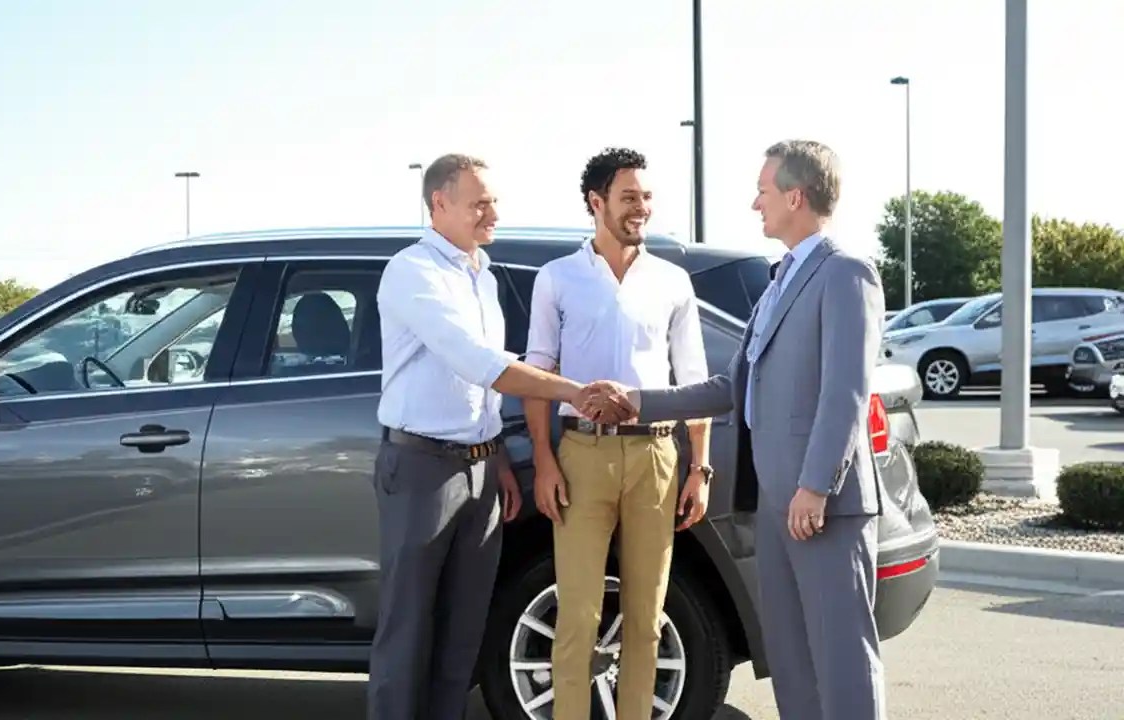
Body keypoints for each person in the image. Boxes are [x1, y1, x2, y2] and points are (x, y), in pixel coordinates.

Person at [584, 140, 887, 720]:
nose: (755, 204)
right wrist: (635, 402)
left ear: (796, 196)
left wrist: (816, 486)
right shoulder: (778, 283)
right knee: (792, 658)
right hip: (775, 503)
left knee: (843, 656)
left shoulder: (846, 273)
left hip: (820, 504)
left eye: (764, 191)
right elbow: (730, 388)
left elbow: (845, 392)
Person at [368, 153, 630, 720]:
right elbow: (477, 362)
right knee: (408, 631)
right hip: (422, 472)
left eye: (494, 200)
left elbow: (484, 390)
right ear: (439, 203)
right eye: (479, 201)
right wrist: (573, 391)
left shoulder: (481, 273)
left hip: (481, 473)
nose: (493, 212)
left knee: (462, 633)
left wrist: (499, 460)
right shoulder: (413, 271)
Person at [520, 147, 713, 720]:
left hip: (657, 457)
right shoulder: (556, 279)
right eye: (630, 197)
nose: (642, 209)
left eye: (647, 197)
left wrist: (699, 467)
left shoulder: (673, 282)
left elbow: (695, 382)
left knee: (647, 615)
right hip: (581, 454)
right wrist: (545, 461)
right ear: (596, 202)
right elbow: (538, 374)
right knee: (576, 614)